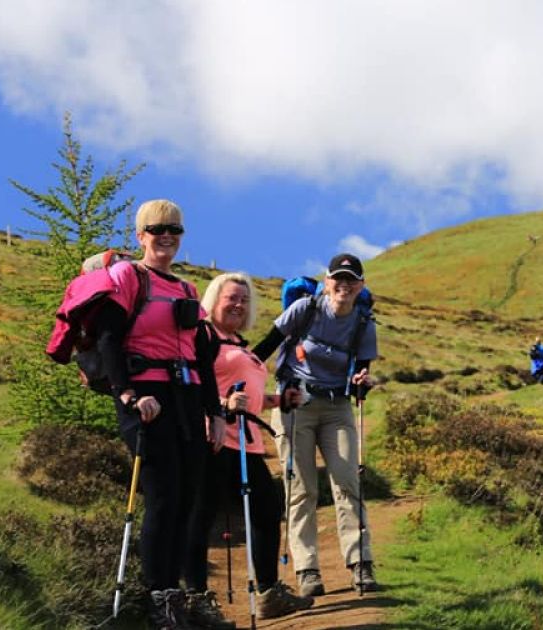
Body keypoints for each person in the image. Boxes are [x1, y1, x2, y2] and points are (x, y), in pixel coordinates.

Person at [96, 199, 228, 629]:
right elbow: (108, 341)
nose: (166, 236)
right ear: (140, 236)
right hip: (146, 398)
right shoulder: (127, 277)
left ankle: (174, 593)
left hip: (187, 399)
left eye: (175, 229)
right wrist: (129, 395)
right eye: (156, 229)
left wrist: (216, 414)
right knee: (164, 496)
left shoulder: (188, 291)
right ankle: (158, 595)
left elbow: (202, 359)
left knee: (187, 498)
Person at [185, 273, 314, 626]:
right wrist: (223, 403)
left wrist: (279, 399)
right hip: (214, 438)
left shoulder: (239, 344)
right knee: (201, 516)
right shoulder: (204, 336)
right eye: (232, 298)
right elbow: (193, 385)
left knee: (267, 512)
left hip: (247, 442)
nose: (238, 305)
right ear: (214, 299)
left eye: (244, 300)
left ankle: (269, 593)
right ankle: (194, 597)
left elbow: (250, 397)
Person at [252, 253, 378, 597]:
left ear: (361, 286)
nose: (344, 285)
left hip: (338, 408)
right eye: (338, 278)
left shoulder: (364, 323)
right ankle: (307, 570)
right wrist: (235, 381)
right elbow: (264, 348)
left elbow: (360, 370)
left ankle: (361, 564)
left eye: (352, 280)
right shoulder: (305, 309)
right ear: (327, 282)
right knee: (301, 489)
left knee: (348, 483)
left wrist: (362, 382)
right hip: (296, 405)